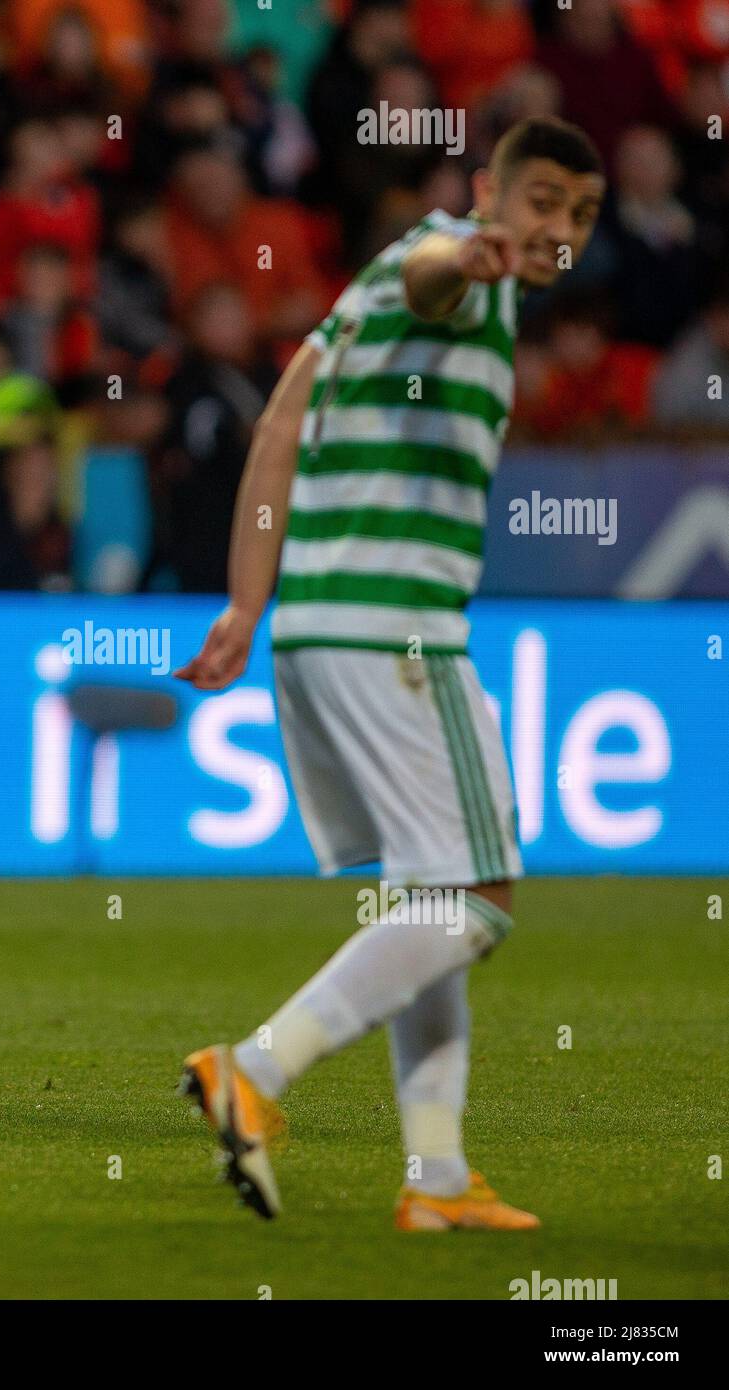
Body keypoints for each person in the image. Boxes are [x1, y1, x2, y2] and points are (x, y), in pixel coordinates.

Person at [173, 118, 605, 1228]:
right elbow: (438, 279)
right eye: (542, 200)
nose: (558, 229)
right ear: (487, 194)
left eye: (580, 213)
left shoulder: (353, 298)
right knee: (482, 892)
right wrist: (465, 259)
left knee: (432, 888)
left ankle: (437, 1177)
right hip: (399, 634)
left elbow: (278, 423)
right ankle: (254, 1071)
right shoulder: (456, 264)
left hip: (318, 628)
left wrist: (246, 598)